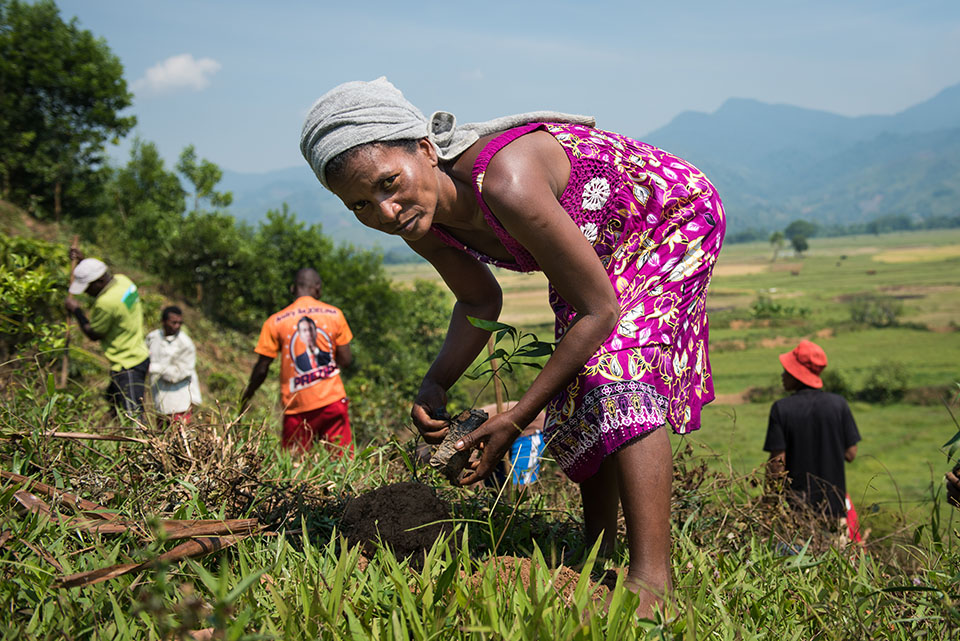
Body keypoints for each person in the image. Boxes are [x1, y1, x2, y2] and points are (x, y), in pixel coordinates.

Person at [299, 77, 726, 615]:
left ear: (426, 152)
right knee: (585, 379)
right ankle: (598, 550)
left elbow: (600, 312)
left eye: (389, 182)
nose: (384, 211)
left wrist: (519, 417)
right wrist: (437, 380)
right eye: (360, 204)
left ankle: (653, 585)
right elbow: (479, 301)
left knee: (618, 367)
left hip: (667, 217)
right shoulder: (417, 221)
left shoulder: (507, 182)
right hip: (595, 242)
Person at [239, 268, 354, 455]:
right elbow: (346, 360)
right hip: (333, 402)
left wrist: (247, 395)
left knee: (294, 464)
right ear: (318, 289)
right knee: (340, 461)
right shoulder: (334, 314)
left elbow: (262, 368)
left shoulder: (275, 321)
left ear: (293, 289)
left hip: (297, 408)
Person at [763, 340, 861, 519]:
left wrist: (769, 505)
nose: (782, 375)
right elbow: (851, 453)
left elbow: (777, 464)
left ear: (797, 374)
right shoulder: (839, 405)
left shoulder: (782, 408)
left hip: (797, 514)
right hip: (834, 511)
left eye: (787, 370)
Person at [64, 251, 150, 420]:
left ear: (99, 282)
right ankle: (110, 429)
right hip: (139, 354)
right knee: (113, 401)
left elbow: (94, 333)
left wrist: (76, 311)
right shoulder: (124, 282)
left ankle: (141, 444)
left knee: (133, 416)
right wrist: (84, 263)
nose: (86, 292)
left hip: (127, 364)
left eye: (88, 287)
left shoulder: (105, 303)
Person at [145, 305, 202, 426]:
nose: (177, 326)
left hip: (179, 400)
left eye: (179, 323)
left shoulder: (185, 344)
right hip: (159, 398)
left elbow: (179, 373)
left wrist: (154, 368)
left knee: (179, 436)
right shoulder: (153, 338)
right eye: (173, 322)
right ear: (164, 322)